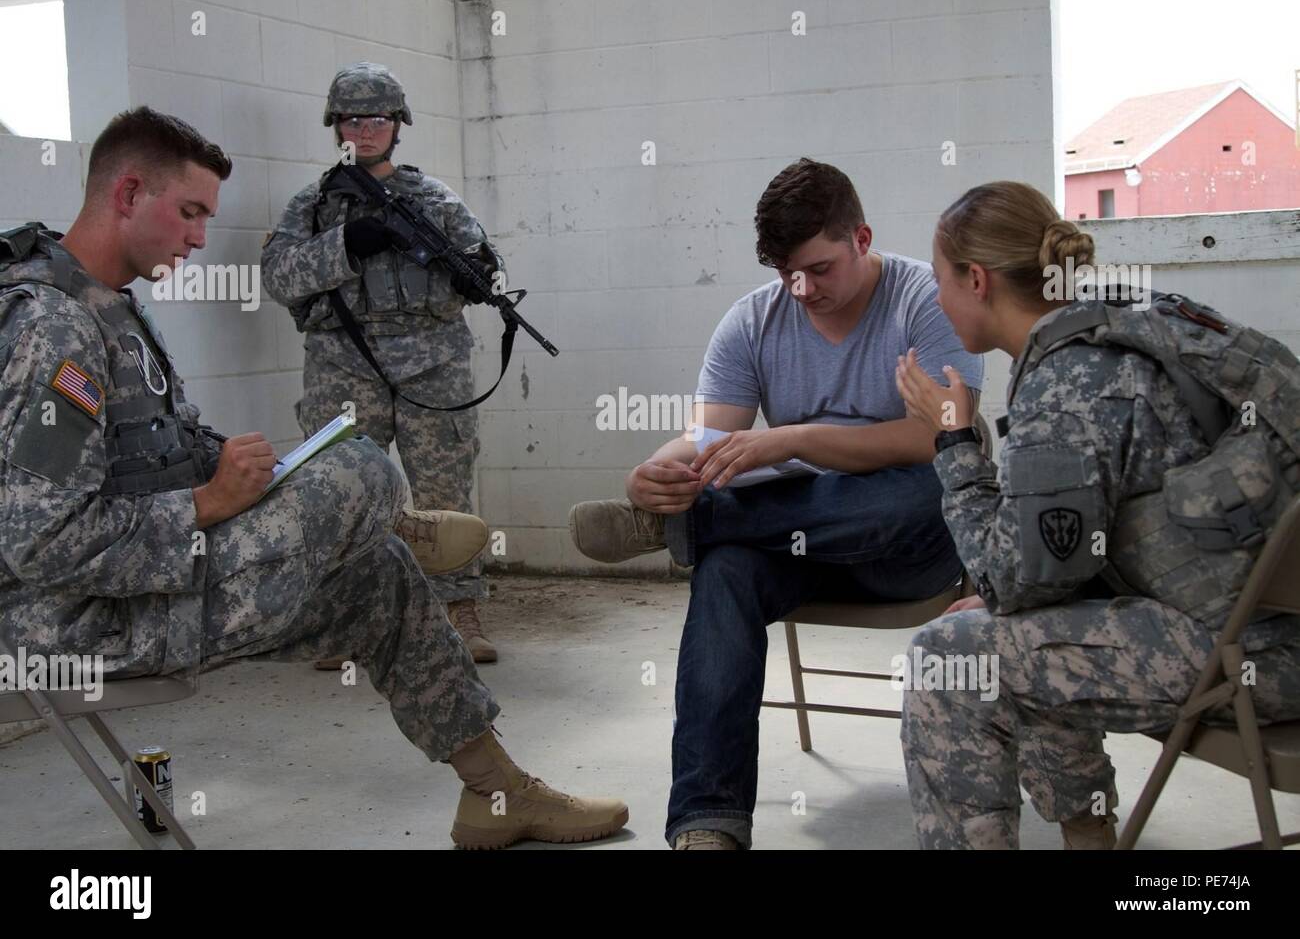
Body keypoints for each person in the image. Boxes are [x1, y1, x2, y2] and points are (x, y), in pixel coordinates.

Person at [0, 106, 628, 849]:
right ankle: (386, 521)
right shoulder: (51, 325)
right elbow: (40, 543)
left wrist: (239, 467)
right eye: (191, 212)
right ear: (129, 193)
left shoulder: (113, 306)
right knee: (362, 472)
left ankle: (497, 795)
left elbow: (164, 449)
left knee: (378, 570)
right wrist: (208, 502)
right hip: (63, 630)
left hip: (135, 592)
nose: (201, 237)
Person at [570, 158, 983, 849]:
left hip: (910, 549)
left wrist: (792, 440)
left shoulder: (924, 302)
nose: (802, 288)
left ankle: (687, 525)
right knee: (727, 569)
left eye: (819, 268)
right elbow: (711, 436)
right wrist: (653, 474)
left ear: (861, 238)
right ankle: (708, 821)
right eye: (786, 272)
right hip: (800, 546)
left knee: (925, 488)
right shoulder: (752, 321)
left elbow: (935, 437)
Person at [893, 180, 1300, 849]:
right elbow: (1053, 572)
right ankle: (1088, 839)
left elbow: (1008, 579)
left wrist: (954, 439)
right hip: (1265, 628)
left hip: (1258, 656)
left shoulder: (1069, 384)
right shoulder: (1139, 322)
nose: (937, 299)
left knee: (951, 659)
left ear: (976, 279)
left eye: (941, 281)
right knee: (1017, 632)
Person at [261, 62, 497, 664]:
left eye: (377, 119)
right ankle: (345, 621)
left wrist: (481, 271)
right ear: (333, 124)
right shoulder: (312, 206)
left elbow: (476, 262)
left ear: (398, 124)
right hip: (345, 364)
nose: (364, 131)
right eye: (350, 119)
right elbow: (279, 277)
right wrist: (347, 243)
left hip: (432, 365)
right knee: (342, 493)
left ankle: (457, 610)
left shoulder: (433, 198)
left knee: (445, 493)